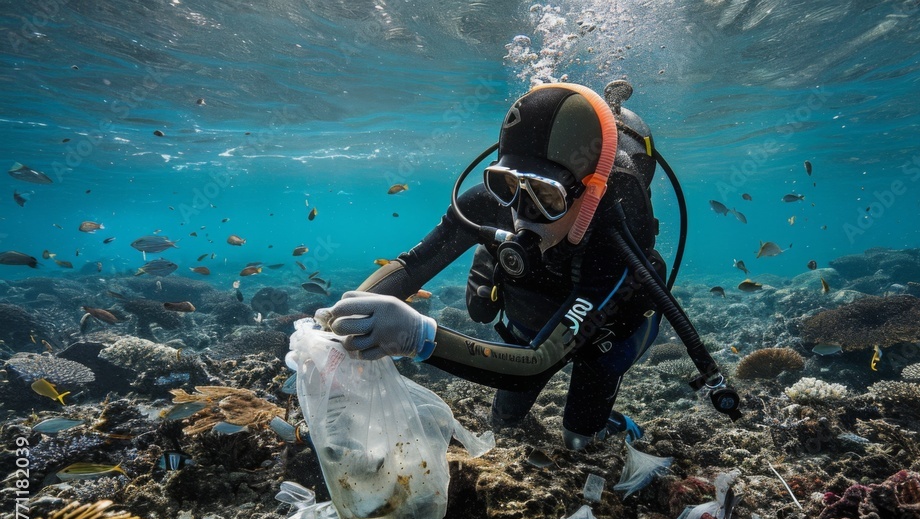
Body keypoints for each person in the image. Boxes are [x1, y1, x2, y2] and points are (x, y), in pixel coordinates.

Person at [316, 81, 740, 450]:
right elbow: (414, 263)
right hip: (537, 307)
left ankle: (616, 427)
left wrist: (419, 337)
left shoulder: (615, 238)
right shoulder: (493, 201)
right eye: (507, 184)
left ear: (590, 193)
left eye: (547, 196)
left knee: (579, 438)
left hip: (611, 329)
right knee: (505, 424)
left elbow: (537, 362)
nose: (522, 212)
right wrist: (345, 311)